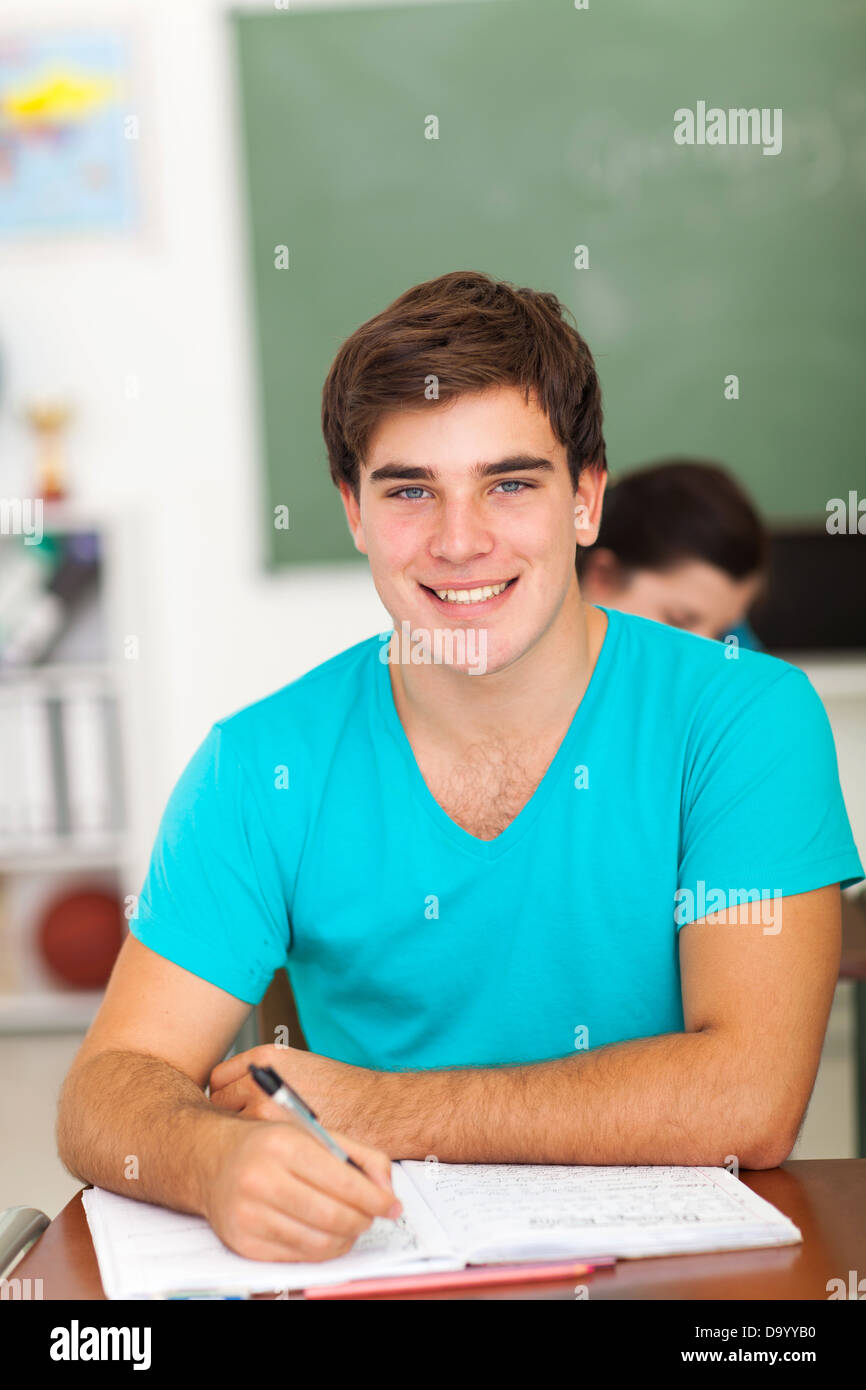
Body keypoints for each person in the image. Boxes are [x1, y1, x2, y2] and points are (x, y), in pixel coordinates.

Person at [58, 271, 863, 1265]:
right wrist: (211, 1159)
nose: (458, 540)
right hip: (381, 1268)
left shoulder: (744, 718)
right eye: (409, 491)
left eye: (510, 483)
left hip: (686, 1283)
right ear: (354, 511)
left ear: (586, 500)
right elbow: (108, 1087)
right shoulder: (258, 763)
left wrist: (378, 1105)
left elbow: (747, 1099)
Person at [577, 459, 767, 647]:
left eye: (721, 635)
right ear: (602, 577)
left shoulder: (736, 648)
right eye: (679, 620)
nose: (701, 653)